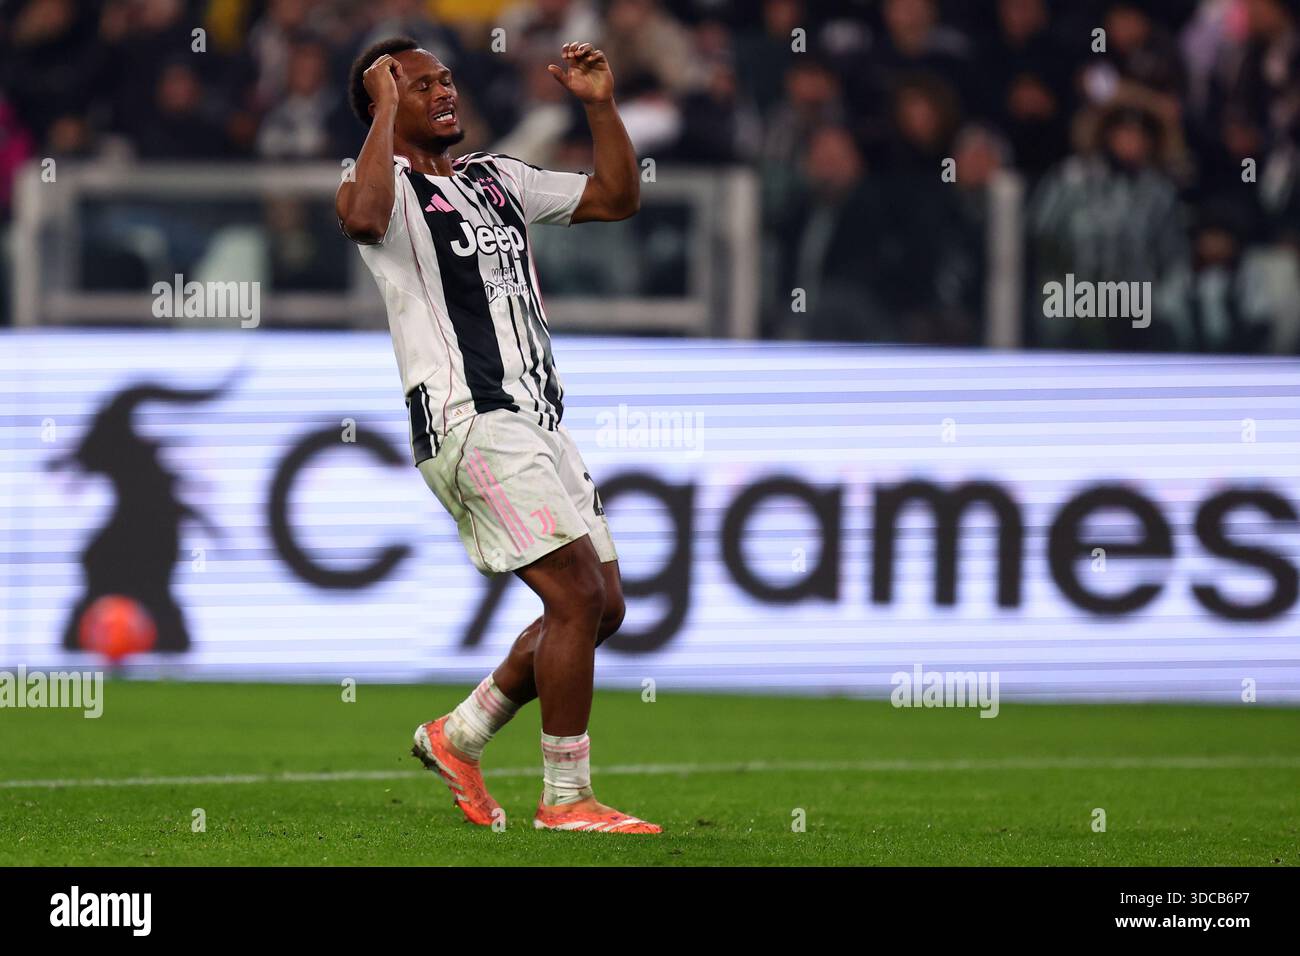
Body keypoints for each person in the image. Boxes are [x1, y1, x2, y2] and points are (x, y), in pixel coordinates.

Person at [335, 37, 660, 834]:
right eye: (417, 86)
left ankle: (462, 733)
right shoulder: (383, 183)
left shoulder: (496, 177)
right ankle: (567, 799)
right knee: (576, 595)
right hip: (471, 419)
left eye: (446, 78)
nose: (444, 91)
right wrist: (380, 113)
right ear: (385, 103)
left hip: (540, 423)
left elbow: (616, 197)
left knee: (602, 606)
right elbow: (364, 218)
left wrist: (597, 104)